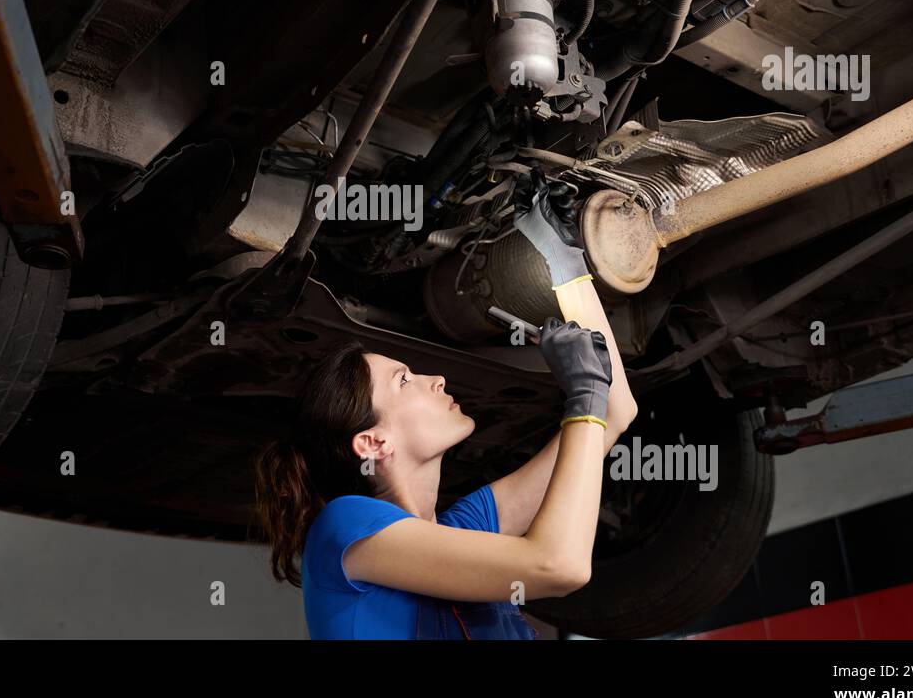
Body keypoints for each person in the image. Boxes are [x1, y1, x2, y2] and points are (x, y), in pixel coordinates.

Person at [252, 167, 639, 638]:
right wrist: (582, 394)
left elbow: (615, 413)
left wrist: (566, 262)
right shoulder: (346, 527)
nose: (435, 379)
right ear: (373, 442)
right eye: (404, 380)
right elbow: (559, 566)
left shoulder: (465, 527)